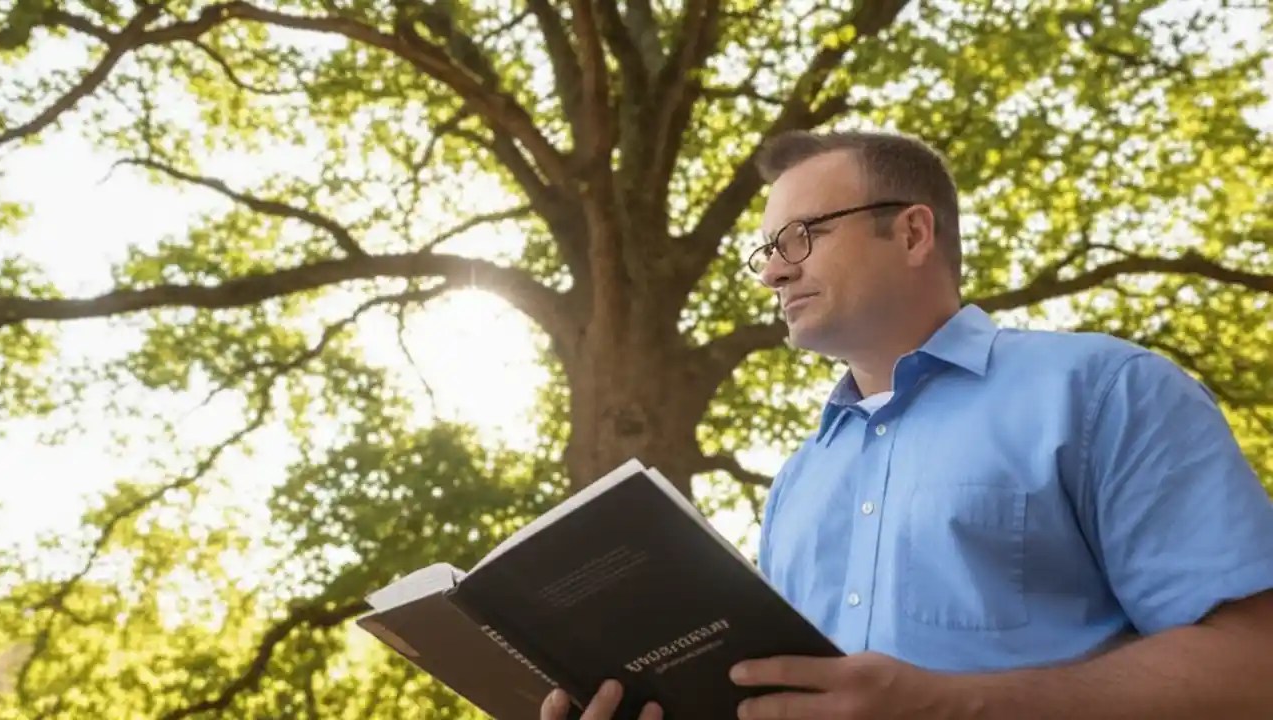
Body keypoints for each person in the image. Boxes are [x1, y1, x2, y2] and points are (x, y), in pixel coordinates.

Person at [540, 130, 1273, 720]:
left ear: (914, 232)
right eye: (765, 252)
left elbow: (1255, 668)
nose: (772, 274)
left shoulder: (1106, 390)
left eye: (799, 237)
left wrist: (954, 704)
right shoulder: (797, 483)